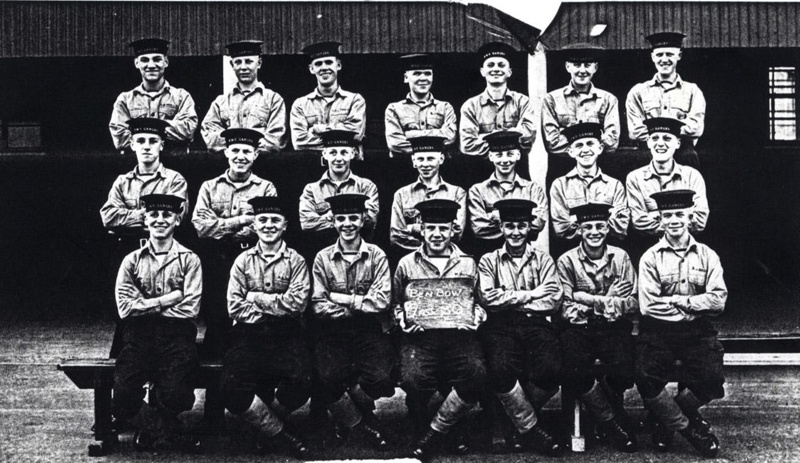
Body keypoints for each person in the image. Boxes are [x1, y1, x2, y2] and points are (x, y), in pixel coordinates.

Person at [192, 128, 277, 431]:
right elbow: (202, 227)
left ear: (255, 155)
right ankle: (212, 412)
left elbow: (266, 227)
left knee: (255, 329)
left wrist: (225, 226)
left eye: (247, 151)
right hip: (218, 263)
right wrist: (240, 221)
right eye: (235, 150)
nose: (241, 156)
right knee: (217, 330)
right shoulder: (209, 187)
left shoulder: (266, 188)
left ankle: (260, 415)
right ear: (226, 152)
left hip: (253, 263)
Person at [393, 199, 487, 459]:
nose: (437, 234)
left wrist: (477, 316)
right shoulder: (406, 264)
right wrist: (401, 318)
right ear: (421, 229)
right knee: (413, 378)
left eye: (443, 229)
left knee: (476, 373)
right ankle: (434, 426)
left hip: (459, 336)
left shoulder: (468, 263)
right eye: (431, 228)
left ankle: (436, 432)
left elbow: (478, 301)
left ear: (452, 230)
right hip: (421, 338)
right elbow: (396, 302)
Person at [636, 189, 727, 458]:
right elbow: (648, 305)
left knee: (712, 379)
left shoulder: (708, 255)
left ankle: (665, 419)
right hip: (659, 329)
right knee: (644, 375)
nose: (674, 220)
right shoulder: (650, 257)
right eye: (667, 215)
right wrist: (694, 305)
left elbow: (718, 300)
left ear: (689, 216)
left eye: (679, 214)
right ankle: (689, 430)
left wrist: (680, 302)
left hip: (697, 330)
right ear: (660, 220)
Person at [220, 196, 312, 457]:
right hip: (248, 334)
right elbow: (234, 307)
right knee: (231, 387)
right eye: (262, 220)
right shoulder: (242, 261)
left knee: (301, 381)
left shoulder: (296, 261)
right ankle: (280, 433)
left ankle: (262, 427)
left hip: (287, 334)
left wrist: (256, 297)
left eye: (275, 220)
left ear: (285, 225)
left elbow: (297, 304)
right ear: (255, 225)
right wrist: (275, 309)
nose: (268, 225)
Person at [112, 193, 202, 452]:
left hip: (177, 336)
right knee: (122, 397)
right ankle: (167, 431)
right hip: (138, 337)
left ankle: (154, 428)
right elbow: (125, 309)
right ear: (145, 219)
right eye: (153, 215)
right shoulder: (131, 260)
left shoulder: (190, 260)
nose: (160, 220)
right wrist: (170, 298)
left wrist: (146, 304)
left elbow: (190, 309)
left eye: (167, 215)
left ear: (177, 220)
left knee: (178, 394)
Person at [477, 199, 564, 456]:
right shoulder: (488, 260)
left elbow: (553, 299)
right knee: (501, 368)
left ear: (530, 229)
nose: (515, 232)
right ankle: (531, 429)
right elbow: (487, 298)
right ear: (501, 228)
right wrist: (529, 295)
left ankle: (508, 423)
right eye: (510, 226)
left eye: (521, 226)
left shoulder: (543, 259)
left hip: (535, 323)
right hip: (500, 327)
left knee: (552, 368)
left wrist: (511, 299)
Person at [310, 193, 395, 450]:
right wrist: (356, 306)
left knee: (383, 377)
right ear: (333, 222)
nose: (347, 224)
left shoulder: (377, 256)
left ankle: (350, 414)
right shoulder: (322, 258)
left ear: (362, 221)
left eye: (353, 218)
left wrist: (341, 299)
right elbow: (318, 303)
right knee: (327, 376)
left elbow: (382, 301)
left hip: (369, 329)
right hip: (333, 330)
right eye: (341, 218)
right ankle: (362, 424)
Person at [100, 117, 189, 358]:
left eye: (153, 141)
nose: (147, 146)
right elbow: (108, 216)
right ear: (131, 144)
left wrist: (130, 217)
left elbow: (177, 213)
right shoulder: (122, 182)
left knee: (163, 310)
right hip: (129, 253)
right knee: (128, 316)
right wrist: (149, 214)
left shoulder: (175, 180)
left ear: (162, 145)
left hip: (162, 254)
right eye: (140, 141)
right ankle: (125, 379)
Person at [555, 203, 638, 453]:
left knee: (626, 369)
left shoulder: (621, 257)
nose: (594, 232)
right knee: (572, 367)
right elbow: (565, 309)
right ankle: (611, 422)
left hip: (613, 328)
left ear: (607, 228)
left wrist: (587, 299)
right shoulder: (566, 261)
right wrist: (607, 300)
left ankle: (600, 412)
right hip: (579, 329)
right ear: (579, 229)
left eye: (600, 226)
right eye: (588, 227)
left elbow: (632, 303)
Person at [626, 32, 705, 167]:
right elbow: (635, 130)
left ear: (679, 56)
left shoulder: (693, 91)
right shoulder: (638, 92)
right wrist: (672, 132)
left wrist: (658, 132)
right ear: (652, 57)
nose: (664, 59)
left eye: (669, 54)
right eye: (659, 55)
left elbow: (696, 128)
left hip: (683, 155)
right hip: (647, 155)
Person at [109, 38, 197, 156]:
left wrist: (140, 131)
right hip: (136, 166)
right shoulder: (125, 100)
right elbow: (120, 139)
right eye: (144, 60)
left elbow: (188, 130)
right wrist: (167, 128)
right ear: (136, 63)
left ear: (166, 62)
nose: (151, 65)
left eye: (157, 59)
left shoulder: (181, 96)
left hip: (176, 163)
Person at [298, 130, 379, 258]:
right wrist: (350, 220)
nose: (339, 158)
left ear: (353, 153)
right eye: (333, 153)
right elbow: (307, 224)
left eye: (344, 152)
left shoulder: (366, 187)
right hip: (322, 256)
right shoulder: (311, 190)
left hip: (360, 254)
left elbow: (369, 221)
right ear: (324, 154)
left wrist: (329, 216)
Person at [468, 130, 547, 257]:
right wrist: (522, 221)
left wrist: (494, 216)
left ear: (518, 155)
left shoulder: (533, 189)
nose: (504, 160)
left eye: (509, 154)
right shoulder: (477, 191)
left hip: (524, 255)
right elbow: (479, 228)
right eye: (499, 155)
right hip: (488, 255)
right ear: (491, 157)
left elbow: (538, 224)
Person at [389, 135, 466, 266]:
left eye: (430, 158)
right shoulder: (402, 194)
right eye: (420, 159)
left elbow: (457, 232)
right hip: (413, 263)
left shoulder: (457, 193)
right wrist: (429, 248)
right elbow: (396, 236)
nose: (425, 164)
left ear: (441, 159)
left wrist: (412, 228)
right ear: (413, 161)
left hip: (448, 263)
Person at [625, 117, 708, 237]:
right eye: (654, 138)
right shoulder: (635, 178)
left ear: (677, 143)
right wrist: (680, 220)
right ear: (648, 142)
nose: (660, 143)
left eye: (667, 138)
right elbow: (638, 221)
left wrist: (656, 216)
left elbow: (700, 221)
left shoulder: (692, 176)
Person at [201, 40, 287, 155]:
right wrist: (252, 141)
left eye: (249, 61)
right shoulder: (220, 102)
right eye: (238, 62)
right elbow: (210, 139)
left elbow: (276, 140)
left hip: (265, 165)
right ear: (232, 65)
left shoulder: (274, 100)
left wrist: (232, 140)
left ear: (259, 63)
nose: (243, 67)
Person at [549, 122, 628, 242]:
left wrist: (575, 219)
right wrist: (606, 220)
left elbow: (621, 227)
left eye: (590, 144)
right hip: (572, 252)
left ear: (600, 148)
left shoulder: (615, 185)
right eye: (579, 145)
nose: (585, 150)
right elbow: (561, 229)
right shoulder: (559, 185)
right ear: (571, 151)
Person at [290, 41, 367, 157]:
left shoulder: (355, 100)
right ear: (311, 69)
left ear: (338, 65)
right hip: (310, 166)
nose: (324, 67)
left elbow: (356, 135)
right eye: (318, 64)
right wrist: (340, 138)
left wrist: (317, 129)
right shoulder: (300, 104)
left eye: (329, 62)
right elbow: (299, 143)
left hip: (348, 165)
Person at [460, 42, 536, 157]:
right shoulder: (470, 106)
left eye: (501, 65)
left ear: (509, 72)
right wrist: (511, 136)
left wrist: (485, 138)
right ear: (482, 71)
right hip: (480, 168)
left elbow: (528, 135)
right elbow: (468, 145)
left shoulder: (523, 102)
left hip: (517, 167)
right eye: (490, 65)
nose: (496, 69)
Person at [541, 44, 619, 156]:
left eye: (587, 65)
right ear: (568, 67)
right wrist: (594, 138)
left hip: (598, 162)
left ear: (595, 68)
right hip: (562, 164)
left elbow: (612, 143)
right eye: (577, 65)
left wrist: (567, 135)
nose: (582, 70)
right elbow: (552, 144)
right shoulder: (551, 99)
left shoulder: (608, 99)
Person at [384, 54, 457, 157]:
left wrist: (409, 134)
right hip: (403, 166)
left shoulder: (445, 107)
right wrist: (436, 137)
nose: (423, 78)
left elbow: (450, 138)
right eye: (417, 74)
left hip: (437, 167)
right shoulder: (394, 109)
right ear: (406, 78)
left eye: (427, 74)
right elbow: (395, 143)